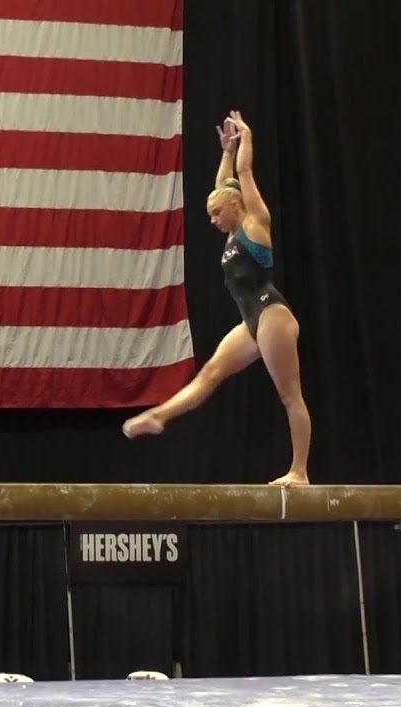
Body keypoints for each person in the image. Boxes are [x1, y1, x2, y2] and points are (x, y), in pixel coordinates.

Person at [123, 111, 312, 487]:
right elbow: (223, 183)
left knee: (290, 395)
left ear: (235, 207)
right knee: (210, 373)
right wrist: (226, 150)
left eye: (216, 213)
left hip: (272, 314)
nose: (211, 219)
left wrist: (246, 141)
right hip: (251, 320)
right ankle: (160, 416)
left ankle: (300, 471)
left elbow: (243, 174)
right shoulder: (230, 231)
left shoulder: (255, 224)